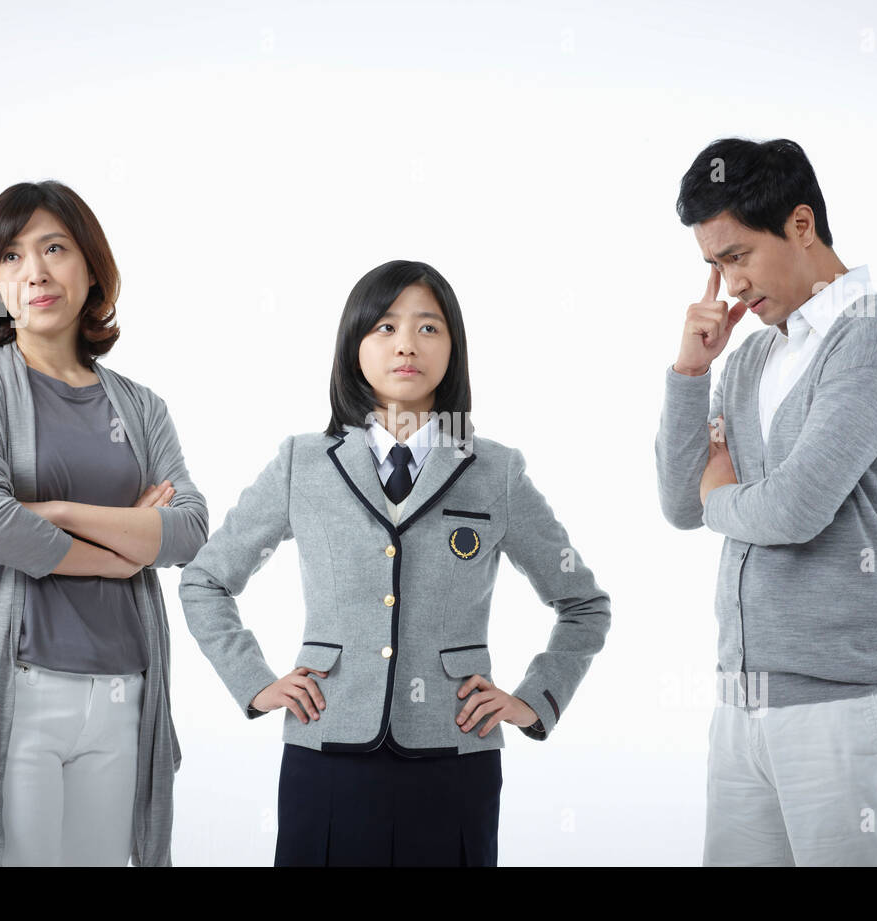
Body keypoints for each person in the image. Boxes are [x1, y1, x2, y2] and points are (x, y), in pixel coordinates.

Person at [179, 259, 611, 866]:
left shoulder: (495, 471)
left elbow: (584, 604)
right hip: (326, 746)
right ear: (354, 345)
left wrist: (534, 699)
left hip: (455, 752)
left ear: (453, 348)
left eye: (428, 328)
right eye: (384, 327)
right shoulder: (303, 463)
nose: (406, 344)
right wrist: (255, 683)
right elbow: (205, 579)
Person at [0, 180, 207, 866]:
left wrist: (61, 511)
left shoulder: (142, 406)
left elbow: (188, 529)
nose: (34, 271)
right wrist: (123, 548)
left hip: (126, 687)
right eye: (9, 257)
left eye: (54, 248)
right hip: (19, 690)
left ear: (91, 268)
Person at [655, 138, 877, 866]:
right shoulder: (749, 355)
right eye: (714, 265)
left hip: (848, 705)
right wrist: (691, 373)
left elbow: (794, 509)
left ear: (802, 225)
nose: (728, 285)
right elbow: (682, 503)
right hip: (741, 704)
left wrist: (725, 491)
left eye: (739, 256)